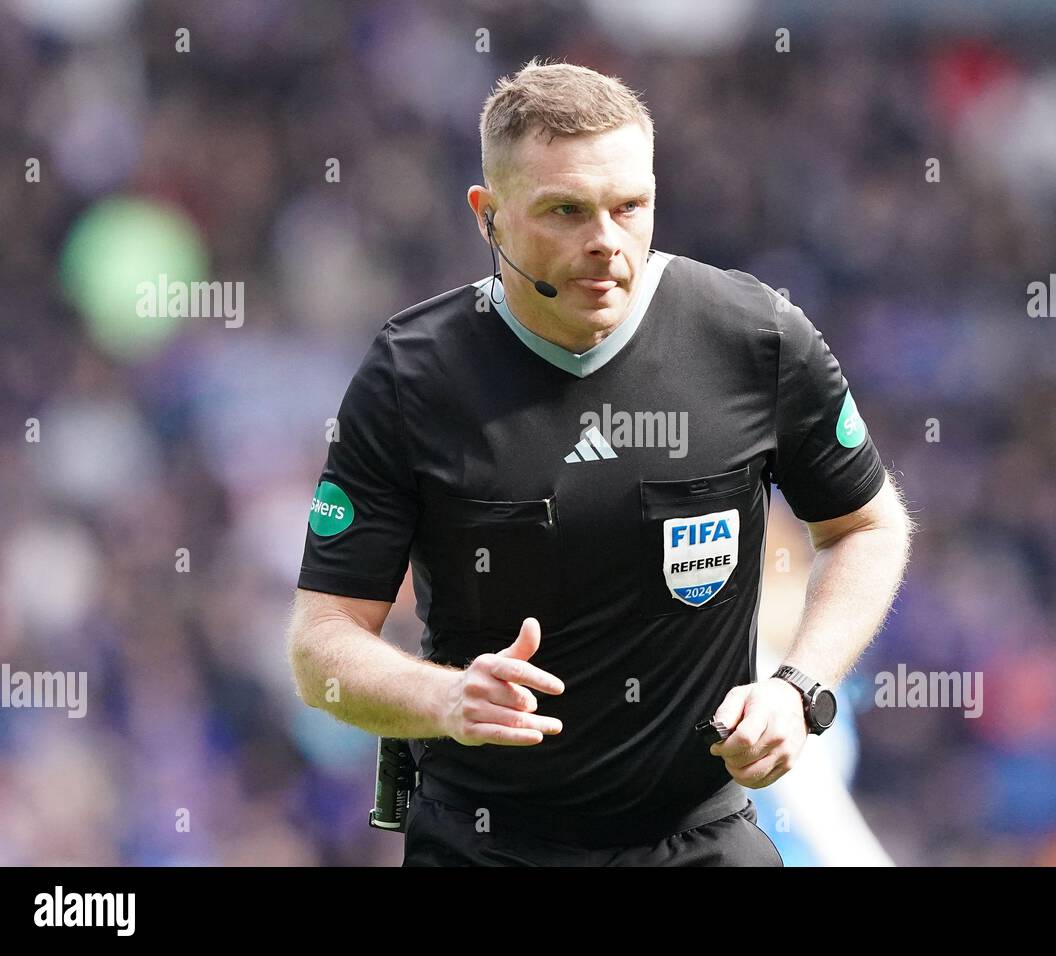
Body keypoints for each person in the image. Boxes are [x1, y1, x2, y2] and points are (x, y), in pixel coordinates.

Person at [285, 57, 914, 866]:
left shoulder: (755, 339)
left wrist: (799, 688)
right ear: (490, 217)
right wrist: (444, 698)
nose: (605, 243)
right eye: (566, 212)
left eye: (630, 207)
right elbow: (319, 644)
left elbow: (867, 526)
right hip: (487, 845)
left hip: (702, 838)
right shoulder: (412, 377)